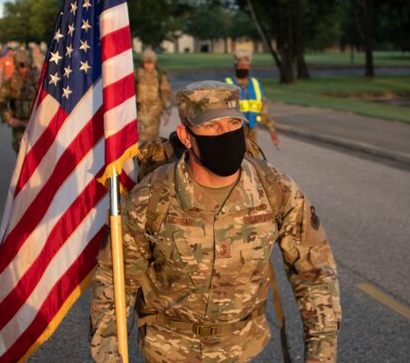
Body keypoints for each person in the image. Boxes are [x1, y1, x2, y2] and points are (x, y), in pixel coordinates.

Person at [90, 81, 341, 362]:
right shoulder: (151, 198)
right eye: (212, 126)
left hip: (243, 349)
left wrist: (321, 355)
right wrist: (110, 356)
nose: (226, 134)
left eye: (233, 122)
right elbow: (114, 285)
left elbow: (315, 273)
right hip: (168, 352)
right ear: (186, 136)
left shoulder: (275, 190)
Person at [225, 50, 280, 147]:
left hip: (252, 132)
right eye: (240, 65)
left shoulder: (256, 85)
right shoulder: (227, 84)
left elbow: (263, 110)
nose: (242, 67)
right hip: (233, 133)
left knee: (253, 159)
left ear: (249, 67)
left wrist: (272, 132)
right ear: (235, 67)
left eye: (245, 66)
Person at [0, 51, 38, 153]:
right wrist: (9, 118)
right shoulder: (11, 83)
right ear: (16, 66)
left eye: (27, 65)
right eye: (22, 66)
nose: (25, 69)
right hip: (20, 127)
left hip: (37, 126)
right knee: (21, 157)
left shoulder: (39, 80)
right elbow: (1, 101)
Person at [134, 49, 172, 143]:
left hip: (156, 111)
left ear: (154, 63)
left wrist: (167, 111)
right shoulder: (137, 74)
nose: (148, 66)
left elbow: (164, 92)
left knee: (154, 136)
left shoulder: (159, 75)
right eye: (146, 63)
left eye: (150, 63)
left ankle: (151, 155)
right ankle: (144, 154)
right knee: (143, 136)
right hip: (142, 109)